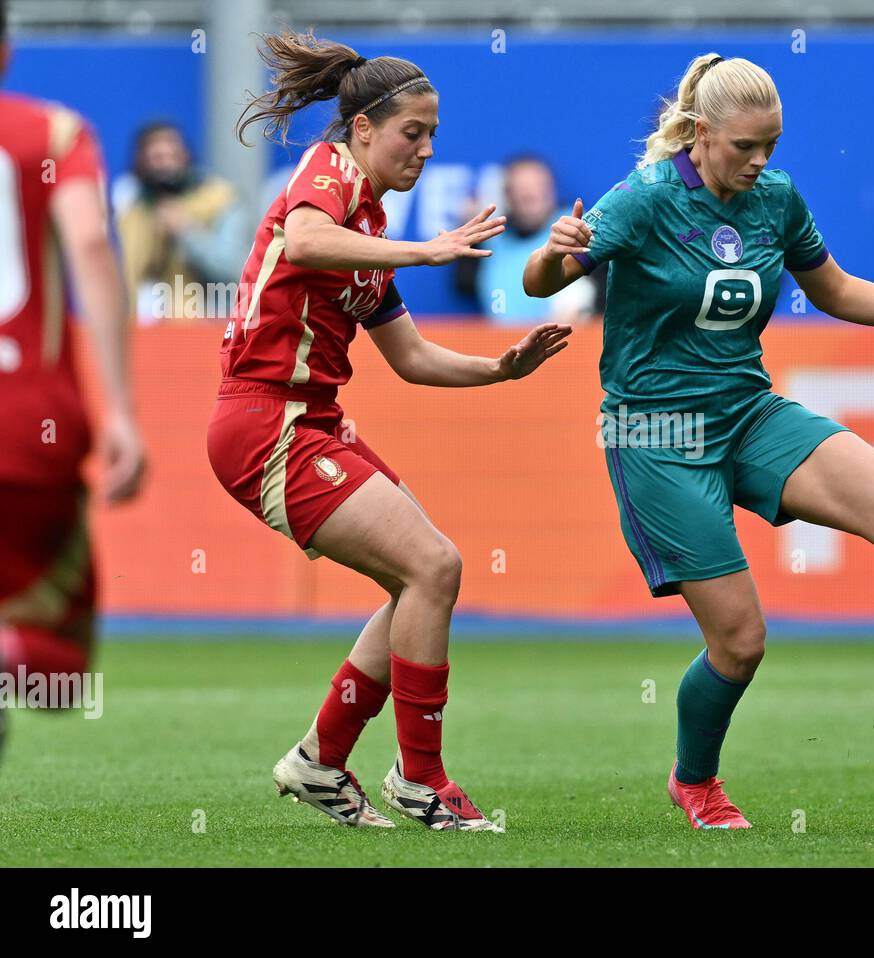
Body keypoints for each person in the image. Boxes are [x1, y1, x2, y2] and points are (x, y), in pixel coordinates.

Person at [524, 53, 874, 830]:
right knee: (740, 645)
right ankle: (694, 781)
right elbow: (541, 282)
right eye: (746, 146)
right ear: (700, 134)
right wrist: (553, 249)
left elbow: (832, 288)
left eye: (772, 143)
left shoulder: (776, 198)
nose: (761, 160)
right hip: (657, 436)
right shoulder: (643, 200)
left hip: (747, 413)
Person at [210, 30, 571, 831]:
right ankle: (422, 779)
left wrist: (501, 370)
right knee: (433, 565)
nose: (426, 148)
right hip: (264, 421)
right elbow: (302, 239)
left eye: (434, 133)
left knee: (424, 578)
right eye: (413, 131)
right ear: (363, 127)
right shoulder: (329, 172)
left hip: (310, 420)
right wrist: (427, 249)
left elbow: (410, 359)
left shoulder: (365, 230)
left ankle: (320, 759)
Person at [0, 0, 148, 755]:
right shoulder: (52, 135)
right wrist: (120, 410)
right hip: (29, 426)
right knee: (53, 675)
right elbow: (90, 243)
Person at [116, 121, 248, 323]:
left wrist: (187, 231)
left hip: (210, 327)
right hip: (148, 333)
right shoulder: (134, 213)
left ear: (186, 155)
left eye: (172, 155)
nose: (166, 166)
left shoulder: (221, 200)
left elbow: (234, 271)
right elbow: (128, 278)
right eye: (157, 158)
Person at [454, 154, 598, 325]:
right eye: (523, 190)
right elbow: (464, 283)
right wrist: (467, 233)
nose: (532, 196)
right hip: (502, 343)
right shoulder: (491, 237)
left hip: (566, 340)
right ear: (507, 195)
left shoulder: (577, 226)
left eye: (539, 188)